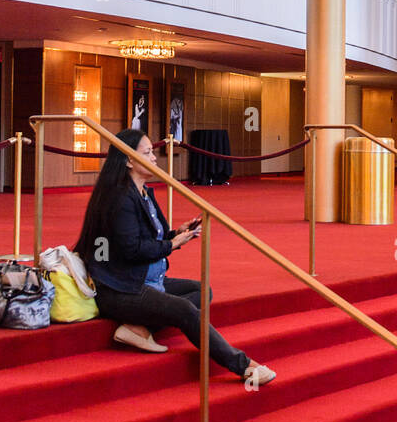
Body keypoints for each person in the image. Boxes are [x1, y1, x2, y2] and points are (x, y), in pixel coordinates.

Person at [74, 128, 276, 386]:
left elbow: (148, 237)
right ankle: (244, 366)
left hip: (146, 278)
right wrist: (172, 244)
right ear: (127, 160)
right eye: (147, 153)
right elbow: (132, 250)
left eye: (153, 152)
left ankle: (139, 329)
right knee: (184, 309)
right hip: (121, 286)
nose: (154, 158)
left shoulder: (144, 192)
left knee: (202, 291)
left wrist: (177, 232)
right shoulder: (120, 197)